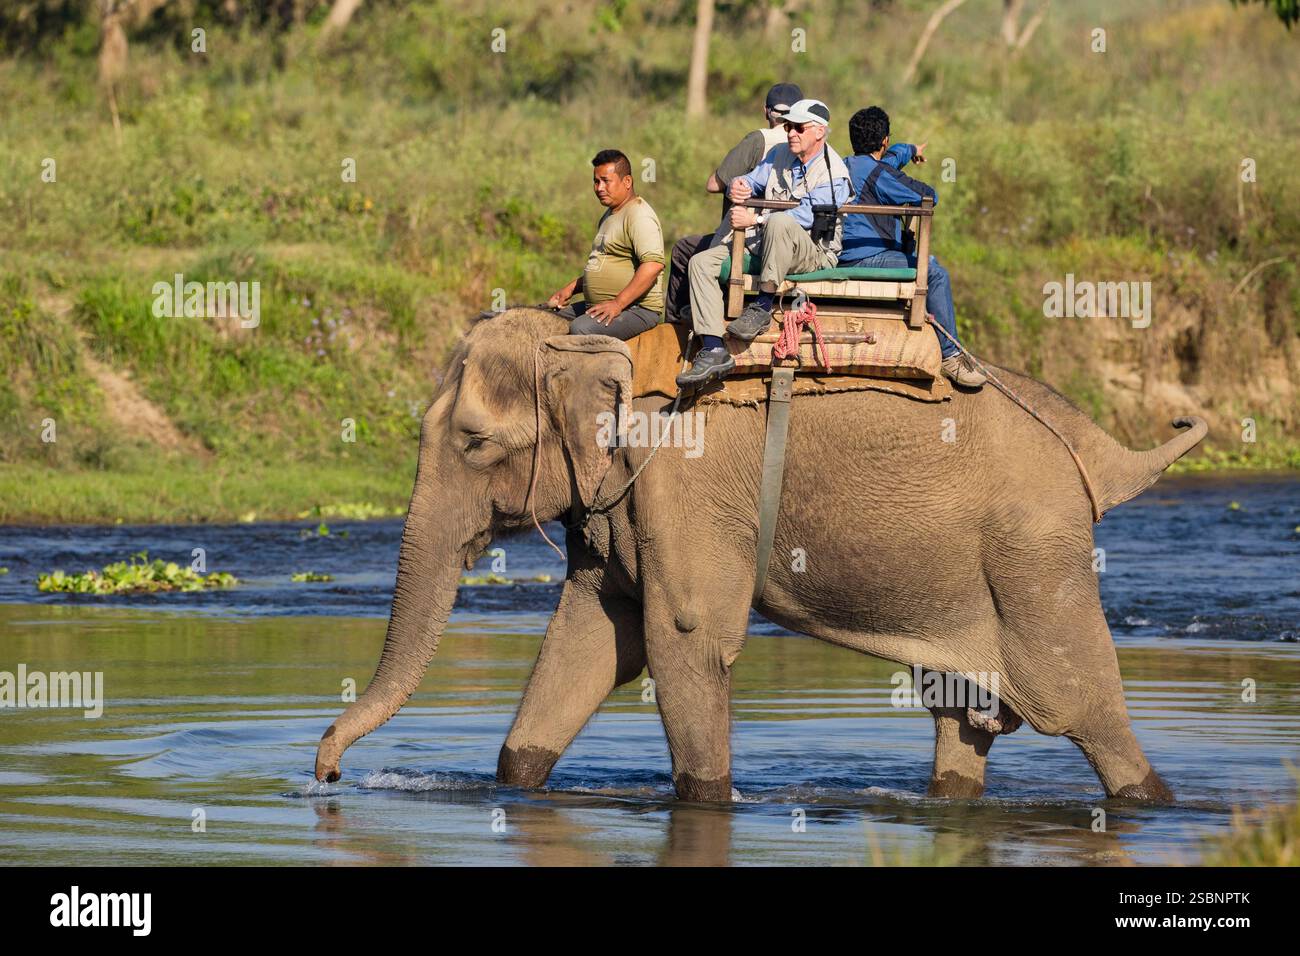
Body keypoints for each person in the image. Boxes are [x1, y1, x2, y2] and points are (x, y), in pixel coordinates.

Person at [676, 99, 852, 389]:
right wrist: (738, 184)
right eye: (788, 126)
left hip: (811, 252)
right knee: (699, 262)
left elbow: (804, 216)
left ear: (819, 132)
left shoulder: (835, 173)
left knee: (781, 221)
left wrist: (754, 220)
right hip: (767, 243)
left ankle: (762, 303)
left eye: (798, 127)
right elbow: (751, 179)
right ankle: (713, 348)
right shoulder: (779, 153)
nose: (790, 132)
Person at [840, 106, 986, 388]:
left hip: (836, 255)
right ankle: (950, 356)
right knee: (934, 271)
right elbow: (929, 196)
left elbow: (887, 162)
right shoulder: (881, 175)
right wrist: (900, 161)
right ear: (884, 141)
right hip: (868, 259)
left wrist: (909, 150)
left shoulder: (843, 164)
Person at [665, 82, 803, 325]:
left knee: (683, 250)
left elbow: (713, 184)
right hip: (789, 243)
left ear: (766, 111)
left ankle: (678, 323)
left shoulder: (758, 140)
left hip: (747, 240)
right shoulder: (806, 144)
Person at [547, 149, 665, 340]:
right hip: (601, 304)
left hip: (636, 309)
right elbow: (601, 264)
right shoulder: (609, 215)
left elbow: (653, 266)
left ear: (627, 182)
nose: (599, 188)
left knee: (581, 328)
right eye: (596, 181)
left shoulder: (639, 215)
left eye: (605, 181)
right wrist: (569, 289)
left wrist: (618, 303)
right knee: (545, 318)